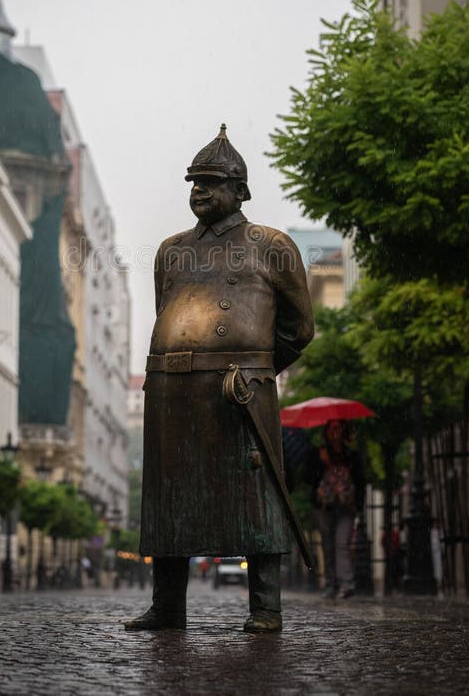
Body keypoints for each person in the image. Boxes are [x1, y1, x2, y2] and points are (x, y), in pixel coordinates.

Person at [124, 125, 314, 634]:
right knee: (169, 498)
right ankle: (167, 606)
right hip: (172, 391)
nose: (199, 191)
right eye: (193, 182)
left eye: (210, 181)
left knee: (256, 496)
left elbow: (301, 326)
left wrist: (258, 371)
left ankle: (266, 608)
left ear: (240, 191)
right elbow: (167, 309)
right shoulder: (171, 251)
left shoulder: (271, 245)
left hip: (239, 393)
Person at [307, 420, 364, 599]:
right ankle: (331, 583)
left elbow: (360, 480)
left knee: (341, 544)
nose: (335, 431)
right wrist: (321, 463)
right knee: (328, 545)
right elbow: (307, 478)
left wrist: (359, 506)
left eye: (339, 427)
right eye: (332, 427)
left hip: (346, 507)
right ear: (326, 431)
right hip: (324, 506)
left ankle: (346, 584)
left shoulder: (351, 455)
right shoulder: (317, 453)